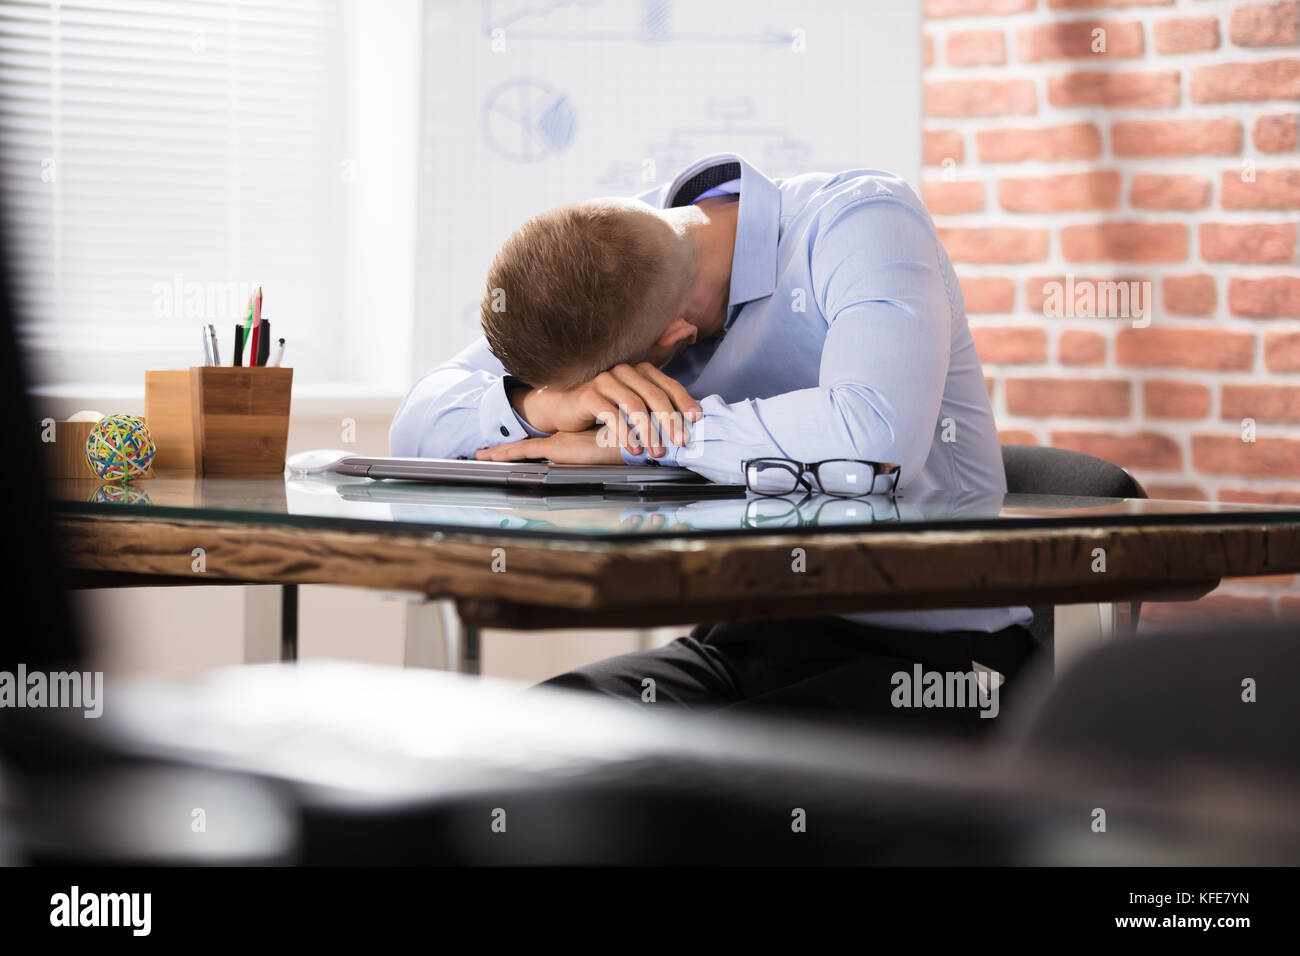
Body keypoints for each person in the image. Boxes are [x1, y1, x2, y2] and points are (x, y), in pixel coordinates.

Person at [391, 153, 1037, 732]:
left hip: (940, 660)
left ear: (671, 341)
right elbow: (414, 426)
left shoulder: (861, 220)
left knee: (671, 801)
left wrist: (653, 436)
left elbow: (874, 435)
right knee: (523, 744)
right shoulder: (616, 253)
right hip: (743, 640)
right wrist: (542, 405)